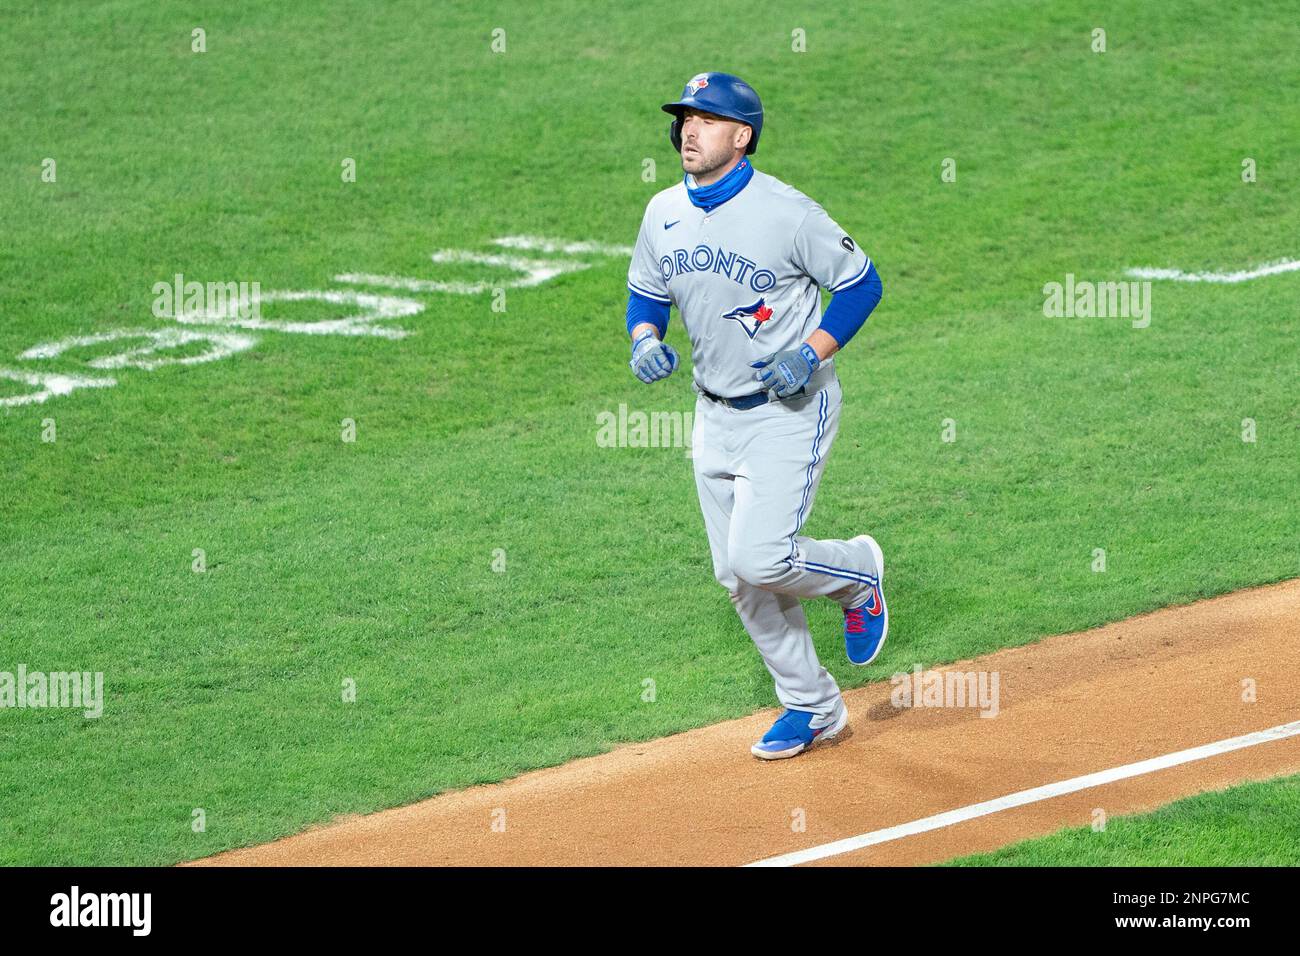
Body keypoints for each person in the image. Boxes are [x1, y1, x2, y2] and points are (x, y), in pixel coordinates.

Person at [625, 72, 887, 760]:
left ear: (741, 137)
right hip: (713, 415)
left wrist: (811, 350)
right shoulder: (662, 213)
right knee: (739, 577)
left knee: (762, 556)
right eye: (684, 118)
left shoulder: (788, 212)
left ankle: (858, 574)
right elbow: (645, 294)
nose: (689, 129)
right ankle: (814, 707)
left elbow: (862, 283)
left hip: (789, 409)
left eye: (706, 119)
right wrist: (644, 340)